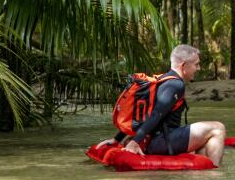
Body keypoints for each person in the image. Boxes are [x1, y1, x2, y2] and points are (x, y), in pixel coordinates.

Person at [97, 44, 226, 166]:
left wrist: (117, 139)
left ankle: (205, 173)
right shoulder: (176, 85)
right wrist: (134, 142)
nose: (198, 68)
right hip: (161, 142)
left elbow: (141, 114)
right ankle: (215, 173)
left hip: (154, 139)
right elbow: (156, 114)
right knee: (218, 128)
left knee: (205, 136)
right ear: (184, 65)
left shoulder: (163, 79)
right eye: (196, 64)